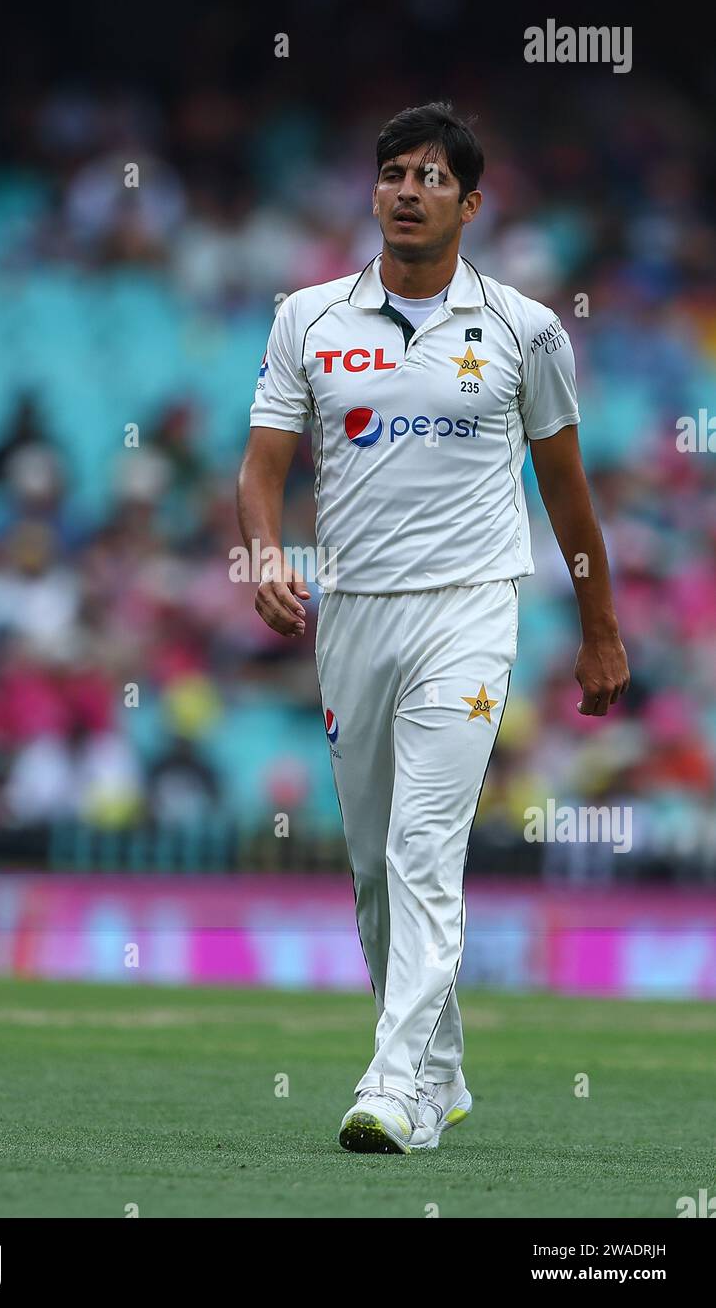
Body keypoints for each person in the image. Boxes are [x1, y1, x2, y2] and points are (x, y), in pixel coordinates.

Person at [236, 102, 630, 1154]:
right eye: (390, 173)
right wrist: (267, 555)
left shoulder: (522, 328)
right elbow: (262, 464)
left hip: (468, 609)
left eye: (428, 176)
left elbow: (567, 491)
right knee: (372, 864)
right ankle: (441, 1071)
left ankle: (392, 1088)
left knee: (420, 848)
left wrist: (598, 627)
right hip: (353, 612)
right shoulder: (308, 319)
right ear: (371, 193)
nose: (405, 190)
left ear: (470, 201)